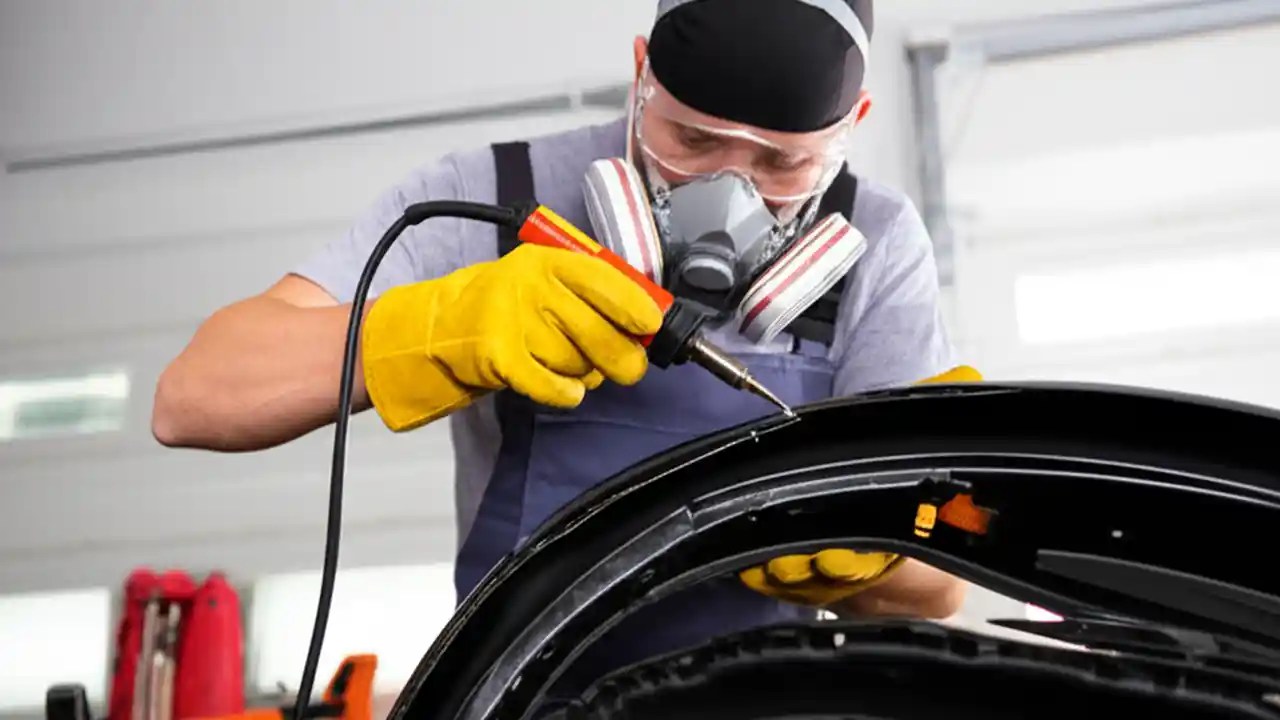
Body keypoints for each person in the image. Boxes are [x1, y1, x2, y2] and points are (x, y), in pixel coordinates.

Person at [153, 0, 975, 695]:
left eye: (781, 162)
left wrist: (874, 557)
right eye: (690, 144)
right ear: (640, 77)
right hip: (518, 697)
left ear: (851, 126)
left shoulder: (875, 238)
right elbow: (193, 398)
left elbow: (941, 587)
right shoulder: (498, 198)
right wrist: (441, 327)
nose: (730, 198)